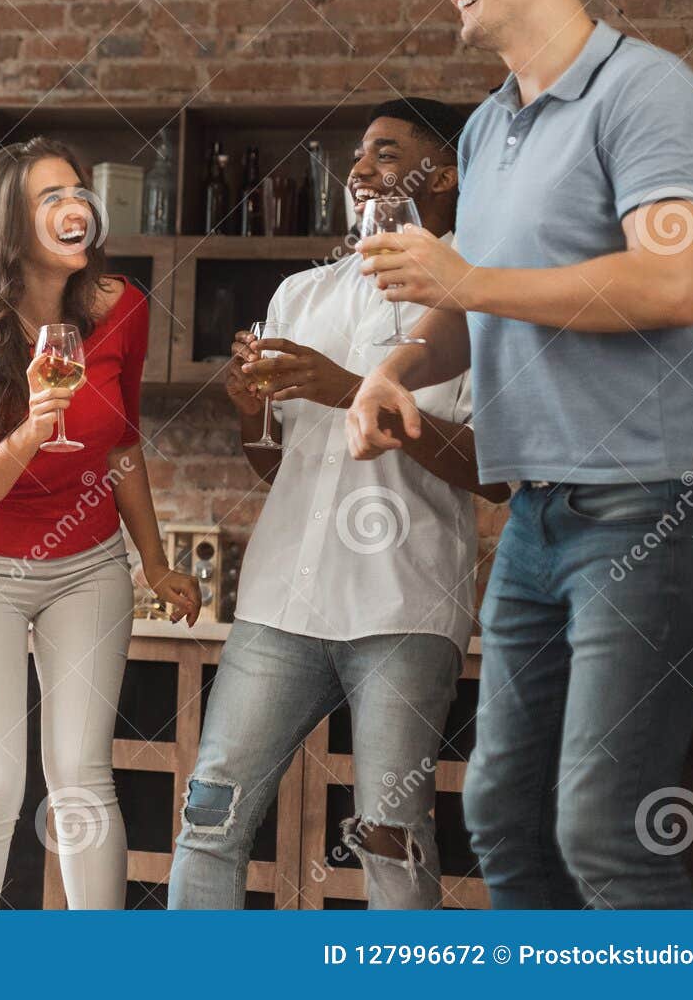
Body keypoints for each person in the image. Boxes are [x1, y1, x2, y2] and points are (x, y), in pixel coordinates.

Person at [348, 0, 693, 908]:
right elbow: (473, 304)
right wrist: (395, 367)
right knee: (504, 818)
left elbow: (672, 281)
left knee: (604, 829)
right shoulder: (485, 128)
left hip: (648, 503)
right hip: (533, 520)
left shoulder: (645, 90)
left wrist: (465, 279)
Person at [168, 99, 508, 910]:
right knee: (209, 817)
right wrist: (249, 411)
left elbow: (495, 471)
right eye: (358, 155)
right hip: (279, 601)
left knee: (392, 838)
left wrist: (354, 388)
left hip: (403, 604)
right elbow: (274, 463)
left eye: (386, 153)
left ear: (444, 176)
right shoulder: (300, 293)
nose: (359, 170)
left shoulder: (479, 301)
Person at [0, 136, 198, 909]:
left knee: (81, 777)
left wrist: (154, 561)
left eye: (78, 190)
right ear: (10, 226)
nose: (75, 204)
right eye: (51, 197)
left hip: (87, 564)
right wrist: (31, 431)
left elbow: (123, 445)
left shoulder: (124, 308)